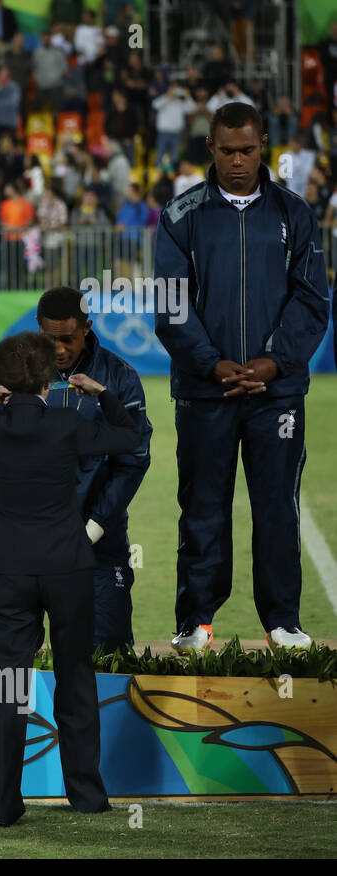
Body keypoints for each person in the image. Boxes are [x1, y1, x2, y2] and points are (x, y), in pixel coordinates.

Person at [0, 331, 142, 826]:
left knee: (8, 686)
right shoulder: (68, 423)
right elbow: (130, 437)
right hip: (67, 566)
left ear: (4, 381)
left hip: (7, 569)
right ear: (51, 380)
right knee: (75, 678)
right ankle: (87, 796)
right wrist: (103, 394)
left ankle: (1, 804)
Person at [154, 103, 330, 653]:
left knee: (277, 508)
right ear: (210, 147)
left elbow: (312, 300)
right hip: (205, 392)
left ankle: (283, 620)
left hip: (276, 394)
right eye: (227, 150)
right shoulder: (180, 214)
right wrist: (212, 363)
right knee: (202, 507)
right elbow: (170, 304)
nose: (237, 161)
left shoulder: (295, 213)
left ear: (263, 147)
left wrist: (274, 362)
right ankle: (196, 620)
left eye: (247, 151)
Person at [0, 288, 151, 652]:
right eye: (49, 338)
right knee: (13, 658)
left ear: (87, 328)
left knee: (104, 656)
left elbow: (133, 459)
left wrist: (93, 529)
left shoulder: (119, 378)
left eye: (68, 339)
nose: (58, 349)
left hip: (95, 544)